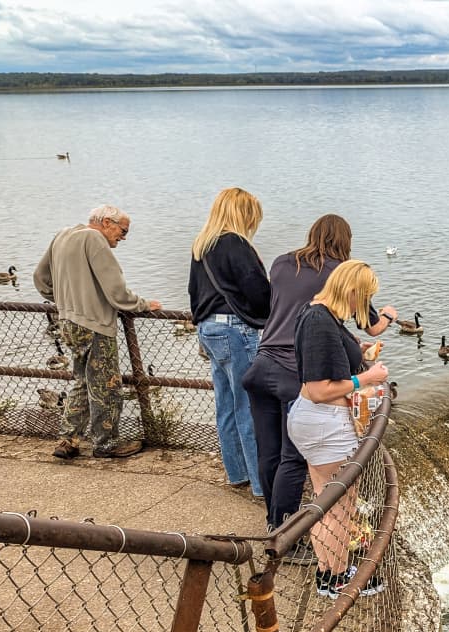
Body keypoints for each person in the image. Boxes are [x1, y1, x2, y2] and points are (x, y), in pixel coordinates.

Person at [242, 215, 397, 547]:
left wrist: (349, 346)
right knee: (294, 457)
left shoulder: (282, 263)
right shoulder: (341, 273)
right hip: (293, 370)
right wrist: (386, 317)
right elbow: (369, 325)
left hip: (261, 363)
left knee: (269, 452)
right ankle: (288, 536)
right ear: (345, 241)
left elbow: (278, 310)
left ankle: (275, 521)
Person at [286, 260, 391, 598]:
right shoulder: (321, 322)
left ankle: (331, 574)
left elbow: (325, 360)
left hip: (317, 423)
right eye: (365, 296)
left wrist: (356, 350)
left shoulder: (320, 313)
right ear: (350, 290)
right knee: (338, 506)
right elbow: (319, 389)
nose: (366, 304)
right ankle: (337, 577)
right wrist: (367, 378)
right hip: (325, 424)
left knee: (328, 502)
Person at [34, 204, 161, 459]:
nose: (123, 237)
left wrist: (64, 300)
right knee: (106, 385)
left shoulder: (63, 235)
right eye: (123, 231)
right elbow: (116, 291)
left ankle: (68, 439)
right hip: (94, 325)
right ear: (106, 223)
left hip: (68, 322)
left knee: (82, 382)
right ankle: (106, 444)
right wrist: (143, 305)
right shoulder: (94, 238)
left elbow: (40, 278)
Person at [189, 188, 271, 497]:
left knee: (225, 405)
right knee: (250, 407)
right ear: (243, 214)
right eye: (253, 217)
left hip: (209, 329)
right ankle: (262, 484)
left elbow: (193, 292)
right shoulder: (236, 244)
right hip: (236, 331)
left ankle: (237, 473)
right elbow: (258, 292)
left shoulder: (202, 245)